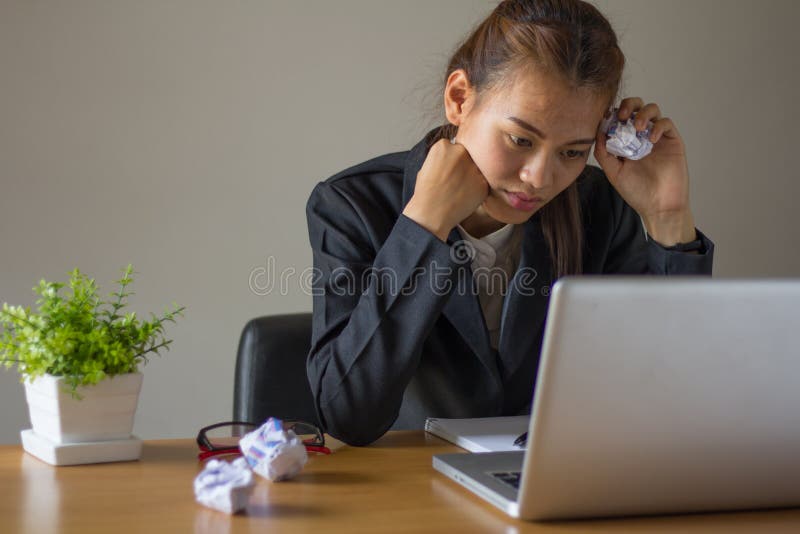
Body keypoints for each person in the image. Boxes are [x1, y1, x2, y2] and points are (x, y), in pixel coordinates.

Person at [304, 0, 714, 446]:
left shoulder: (599, 208)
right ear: (459, 99)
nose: (539, 178)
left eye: (572, 152)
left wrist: (667, 217)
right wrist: (424, 226)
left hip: (554, 484)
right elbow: (347, 415)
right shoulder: (353, 205)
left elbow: (677, 400)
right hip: (412, 488)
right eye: (521, 139)